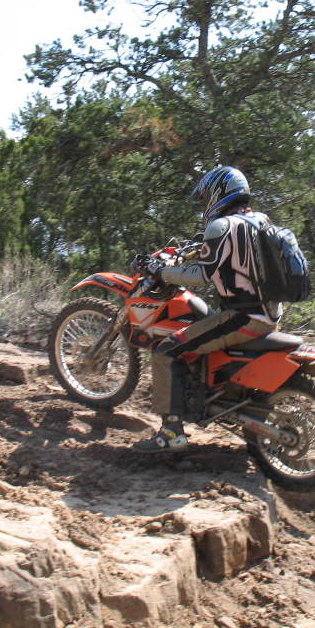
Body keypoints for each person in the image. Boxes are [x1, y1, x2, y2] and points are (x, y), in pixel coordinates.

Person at [132, 165, 282, 453]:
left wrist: (162, 273)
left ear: (218, 193)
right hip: (269, 313)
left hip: (243, 317)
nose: (205, 204)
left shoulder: (221, 226)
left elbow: (201, 276)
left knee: (166, 350)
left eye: (206, 197)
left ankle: (171, 433)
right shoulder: (260, 220)